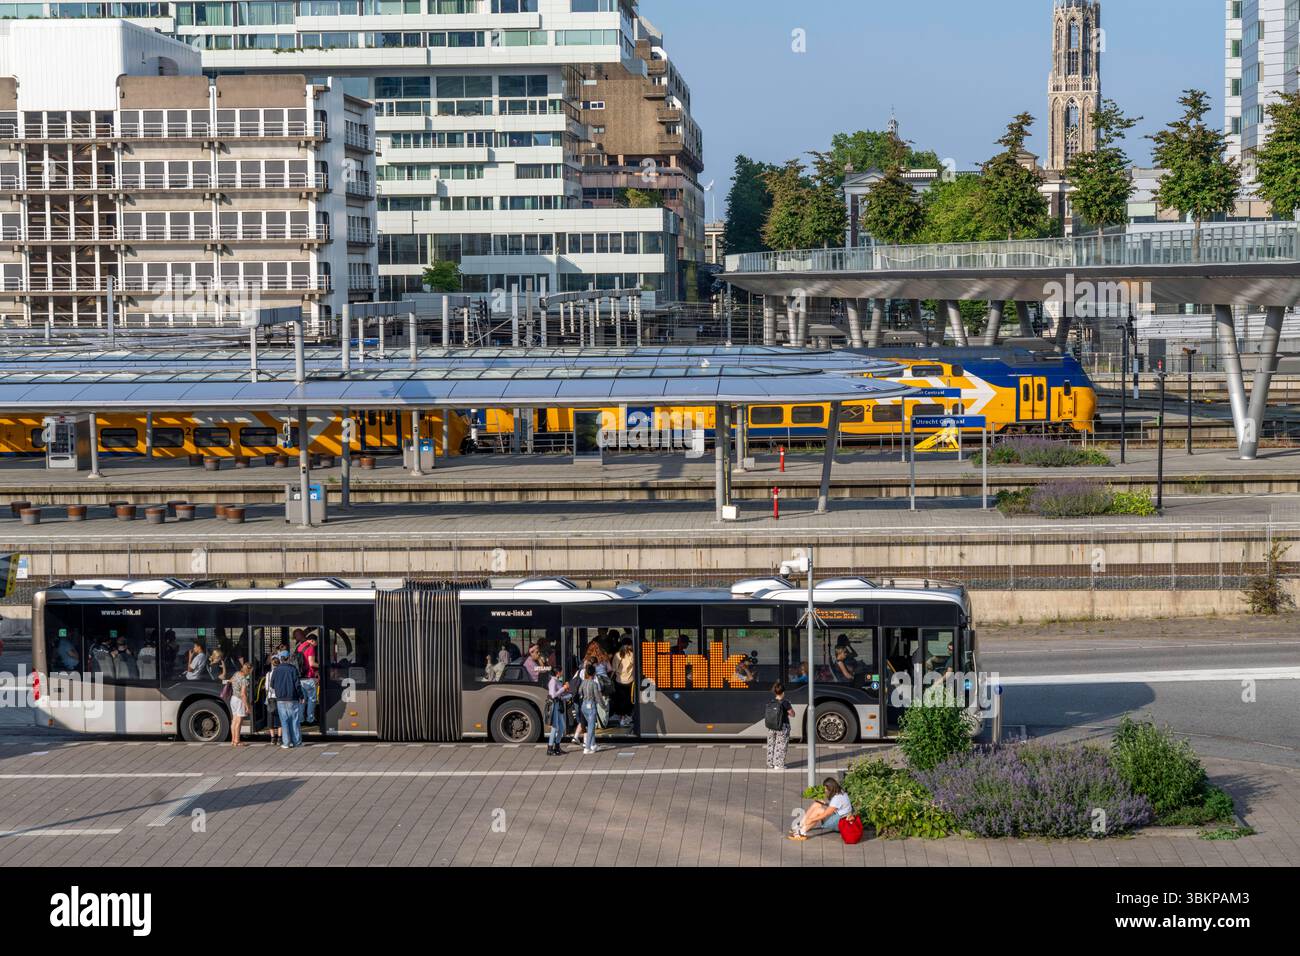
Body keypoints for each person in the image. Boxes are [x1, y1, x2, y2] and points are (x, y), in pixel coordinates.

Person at [269, 650, 305, 749]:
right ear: (289, 658)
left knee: (284, 721)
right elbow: (297, 685)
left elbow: (272, 685)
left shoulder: (276, 670)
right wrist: (301, 696)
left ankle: (286, 743)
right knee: (294, 721)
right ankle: (297, 742)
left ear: (280, 659)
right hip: (292, 698)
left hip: (280, 699)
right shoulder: (293, 669)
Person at [764, 682, 795, 771]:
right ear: (783, 692)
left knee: (771, 745)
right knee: (781, 745)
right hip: (782, 726)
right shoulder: (785, 703)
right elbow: (792, 714)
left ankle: (770, 763)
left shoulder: (771, 702)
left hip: (771, 726)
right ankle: (778, 765)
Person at [296, 631, 319, 727]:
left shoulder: (300, 646)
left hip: (300, 678)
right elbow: (311, 663)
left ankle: (301, 719)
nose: (317, 644)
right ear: (312, 641)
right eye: (316, 642)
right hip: (309, 678)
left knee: (302, 700)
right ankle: (310, 719)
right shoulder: (311, 647)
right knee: (312, 699)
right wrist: (322, 666)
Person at [578, 663, 601, 754]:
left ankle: (593, 745)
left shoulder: (583, 682)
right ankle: (587, 748)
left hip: (584, 706)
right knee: (591, 728)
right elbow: (597, 697)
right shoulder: (594, 684)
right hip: (591, 706)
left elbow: (579, 691)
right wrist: (603, 705)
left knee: (590, 726)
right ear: (594, 673)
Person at [612, 638, 635, 727]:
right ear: (628, 645)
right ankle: (627, 717)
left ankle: (621, 718)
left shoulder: (617, 655)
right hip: (630, 681)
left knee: (620, 700)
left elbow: (613, 669)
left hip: (619, 680)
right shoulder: (632, 655)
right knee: (629, 700)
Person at [546, 669, 570, 756]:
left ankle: (557, 747)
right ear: (558, 672)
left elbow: (559, 695)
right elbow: (553, 695)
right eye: (561, 671)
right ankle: (550, 748)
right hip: (554, 706)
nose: (562, 673)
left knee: (562, 727)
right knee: (555, 727)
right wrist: (564, 688)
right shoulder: (553, 681)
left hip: (558, 705)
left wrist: (567, 695)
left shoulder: (557, 681)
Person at [229, 661, 253, 748]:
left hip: (233, 698)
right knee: (239, 722)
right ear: (248, 670)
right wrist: (247, 707)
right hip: (239, 700)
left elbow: (231, 681)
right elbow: (243, 694)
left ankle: (233, 740)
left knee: (234, 720)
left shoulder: (236, 673)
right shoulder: (244, 679)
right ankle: (237, 741)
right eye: (251, 671)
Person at [261, 654, 282, 746]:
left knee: (270, 718)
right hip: (279, 698)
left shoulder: (268, 674)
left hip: (270, 698)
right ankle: (280, 738)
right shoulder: (281, 674)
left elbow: (266, 688)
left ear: (272, 664)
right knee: (280, 719)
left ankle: (273, 738)